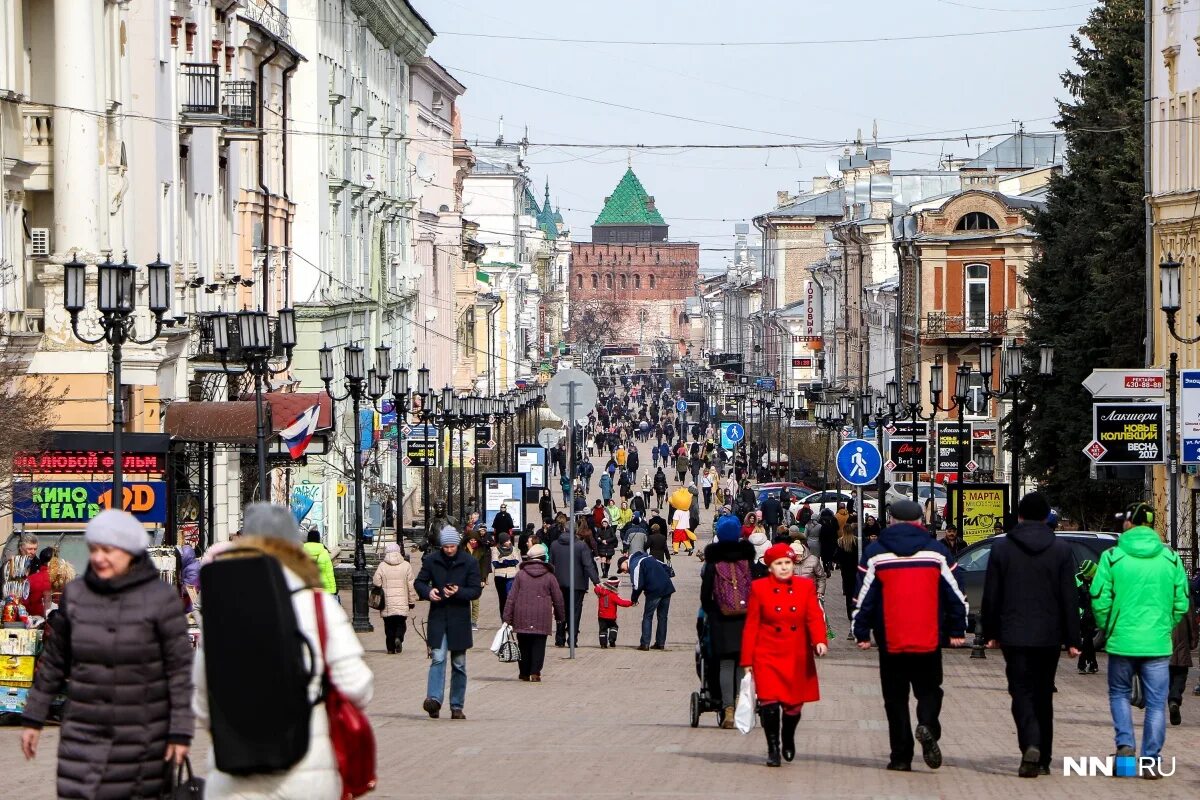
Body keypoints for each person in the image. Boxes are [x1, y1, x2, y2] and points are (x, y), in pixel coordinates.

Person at [192, 503, 373, 799]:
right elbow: (357, 686)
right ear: (294, 547)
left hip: (232, 771)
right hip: (305, 770)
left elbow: (201, 701)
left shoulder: (221, 607)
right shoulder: (316, 604)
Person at [20, 510, 194, 799]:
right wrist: (33, 717)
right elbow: (53, 663)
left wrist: (180, 731)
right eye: (94, 549)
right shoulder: (77, 596)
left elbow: (179, 671)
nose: (99, 557)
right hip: (82, 738)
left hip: (142, 742)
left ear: (130, 552)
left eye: (108, 550)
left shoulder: (160, 599)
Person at [854, 500, 968, 772]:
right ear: (920, 522)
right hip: (928, 636)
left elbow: (863, 597)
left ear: (890, 520)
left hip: (890, 639)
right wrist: (956, 629)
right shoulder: (937, 552)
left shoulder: (874, 553)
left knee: (895, 699)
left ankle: (901, 758)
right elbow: (955, 593)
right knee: (929, 690)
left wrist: (861, 632)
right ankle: (927, 724)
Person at [981, 492, 1081, 778]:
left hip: (1014, 635)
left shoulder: (1002, 549)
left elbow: (991, 595)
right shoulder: (1061, 549)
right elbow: (1069, 597)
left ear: (1020, 516)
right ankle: (1045, 759)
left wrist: (990, 632)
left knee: (1021, 691)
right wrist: (1073, 639)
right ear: (1046, 516)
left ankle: (1030, 746)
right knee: (1043, 694)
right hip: (1049, 636)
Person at [1091, 502, 1190, 773]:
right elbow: (1181, 601)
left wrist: (1108, 626)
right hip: (1157, 643)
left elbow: (1099, 598)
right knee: (1157, 703)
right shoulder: (1170, 559)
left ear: (1130, 523)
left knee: (1119, 694)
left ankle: (1125, 750)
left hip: (1122, 641)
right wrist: (1165, 625)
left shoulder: (1112, 557)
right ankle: (1151, 761)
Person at [741, 543, 829, 767]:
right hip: (767, 654)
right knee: (769, 704)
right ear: (770, 567)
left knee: (793, 707)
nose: (784, 567)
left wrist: (819, 640)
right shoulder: (759, 588)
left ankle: (788, 736)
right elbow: (751, 625)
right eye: (779, 564)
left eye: (787, 563)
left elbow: (814, 616)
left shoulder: (804, 587)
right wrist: (747, 660)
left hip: (796, 654)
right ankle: (773, 748)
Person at [416, 526, 483, 720]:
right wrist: (429, 592)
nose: (449, 550)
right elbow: (419, 583)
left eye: (452, 546)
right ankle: (434, 700)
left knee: (459, 663)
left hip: (459, 618)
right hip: (438, 616)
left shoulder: (469, 562)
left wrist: (459, 592)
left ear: (457, 545)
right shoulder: (431, 561)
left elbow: (475, 590)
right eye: (446, 546)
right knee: (438, 657)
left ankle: (456, 705)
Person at [700, 514, 756, 727]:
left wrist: (710, 611)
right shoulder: (747, 560)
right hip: (746, 618)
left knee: (725, 664)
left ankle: (728, 710)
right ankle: (739, 701)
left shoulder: (714, 562)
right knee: (743, 664)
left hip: (721, 620)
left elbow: (705, 595)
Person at [502, 544, 565, 682]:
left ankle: (524, 672)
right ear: (543, 558)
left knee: (523, 644)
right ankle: (535, 672)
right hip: (542, 617)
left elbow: (511, 597)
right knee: (538, 644)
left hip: (521, 615)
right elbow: (558, 598)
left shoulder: (520, 575)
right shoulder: (550, 576)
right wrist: (560, 616)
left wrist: (507, 617)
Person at [550, 520, 601, 648]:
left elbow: (551, 565)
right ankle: (572, 639)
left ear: (564, 530)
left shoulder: (554, 545)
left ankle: (559, 638)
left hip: (559, 583)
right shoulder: (581, 546)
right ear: (575, 530)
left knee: (560, 609)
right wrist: (596, 582)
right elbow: (588, 565)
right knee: (575, 612)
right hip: (577, 584)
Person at [622, 549, 675, 650]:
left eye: (622, 569)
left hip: (654, 591)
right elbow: (667, 568)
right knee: (663, 617)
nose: (624, 572)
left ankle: (645, 644)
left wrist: (634, 599)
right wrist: (662, 578)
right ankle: (660, 643)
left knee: (648, 616)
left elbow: (637, 586)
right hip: (667, 587)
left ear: (625, 561)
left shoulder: (634, 564)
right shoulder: (649, 557)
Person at [372, 541, 418, 654]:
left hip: (387, 602)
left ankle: (391, 648)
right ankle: (399, 637)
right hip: (402, 601)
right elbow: (411, 585)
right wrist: (411, 601)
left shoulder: (382, 566)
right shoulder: (406, 565)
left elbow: (376, 582)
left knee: (388, 625)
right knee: (400, 623)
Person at [1169, 596, 1197, 726]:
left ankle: (1171, 699)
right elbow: (1191, 619)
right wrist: (1193, 640)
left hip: (1162, 640)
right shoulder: (1184, 594)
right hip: (1181, 639)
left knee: (1166, 674)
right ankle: (1174, 699)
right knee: (1180, 673)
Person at [594, 576, 633, 648]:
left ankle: (603, 644)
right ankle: (612, 639)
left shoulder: (601, 592)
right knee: (614, 627)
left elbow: (596, 589)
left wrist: (599, 585)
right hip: (611, 616)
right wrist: (631, 603)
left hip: (601, 616)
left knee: (602, 630)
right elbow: (621, 602)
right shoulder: (613, 595)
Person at [1075, 559, 1100, 674]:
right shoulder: (1079, 580)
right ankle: (1090, 663)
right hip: (1082, 613)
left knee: (1087, 638)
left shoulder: (1098, 578)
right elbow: (1076, 599)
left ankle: (1085, 663)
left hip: (1092, 613)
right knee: (1087, 638)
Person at [491, 533, 521, 619]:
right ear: (502, 541)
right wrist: (508, 561)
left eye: (509, 540)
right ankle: (503, 618)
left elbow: (516, 560)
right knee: (502, 598)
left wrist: (504, 561)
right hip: (500, 576)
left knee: (511, 597)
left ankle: (512, 616)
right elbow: (495, 563)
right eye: (507, 540)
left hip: (511, 576)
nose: (509, 542)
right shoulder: (495, 549)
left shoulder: (514, 549)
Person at [303, 528, 338, 595]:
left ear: (308, 539)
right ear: (318, 539)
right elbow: (329, 573)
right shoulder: (324, 553)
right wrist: (333, 589)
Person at [818, 508, 839, 575]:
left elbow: (819, 530)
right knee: (831, 553)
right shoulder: (833, 519)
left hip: (824, 540)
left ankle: (825, 567)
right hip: (832, 539)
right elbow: (837, 528)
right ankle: (830, 565)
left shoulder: (821, 520)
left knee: (824, 554)